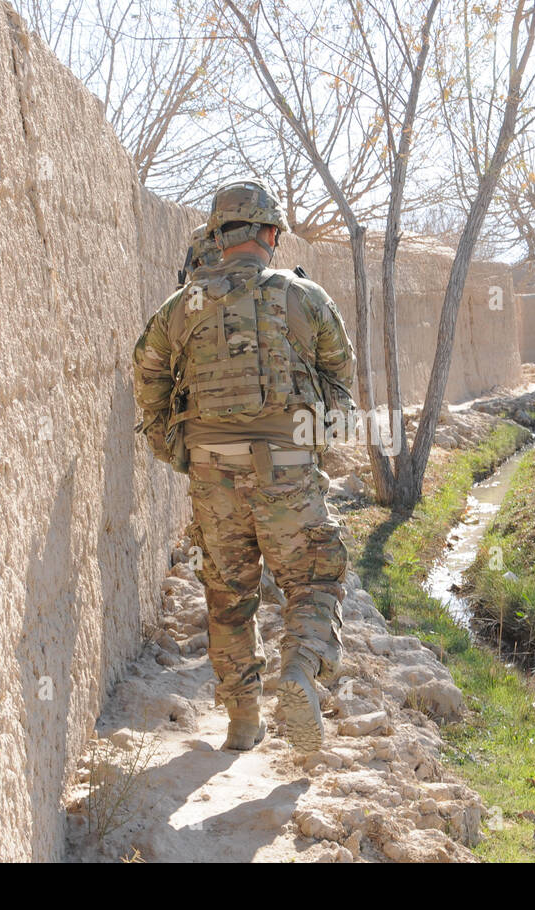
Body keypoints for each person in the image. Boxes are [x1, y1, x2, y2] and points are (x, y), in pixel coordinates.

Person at [133, 178, 356, 752]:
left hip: (213, 477)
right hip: (287, 471)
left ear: (217, 237)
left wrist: (171, 445)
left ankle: (242, 721)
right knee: (314, 580)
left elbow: (148, 374)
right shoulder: (303, 297)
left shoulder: (183, 304)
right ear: (271, 233)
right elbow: (341, 374)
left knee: (229, 598)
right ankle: (301, 675)